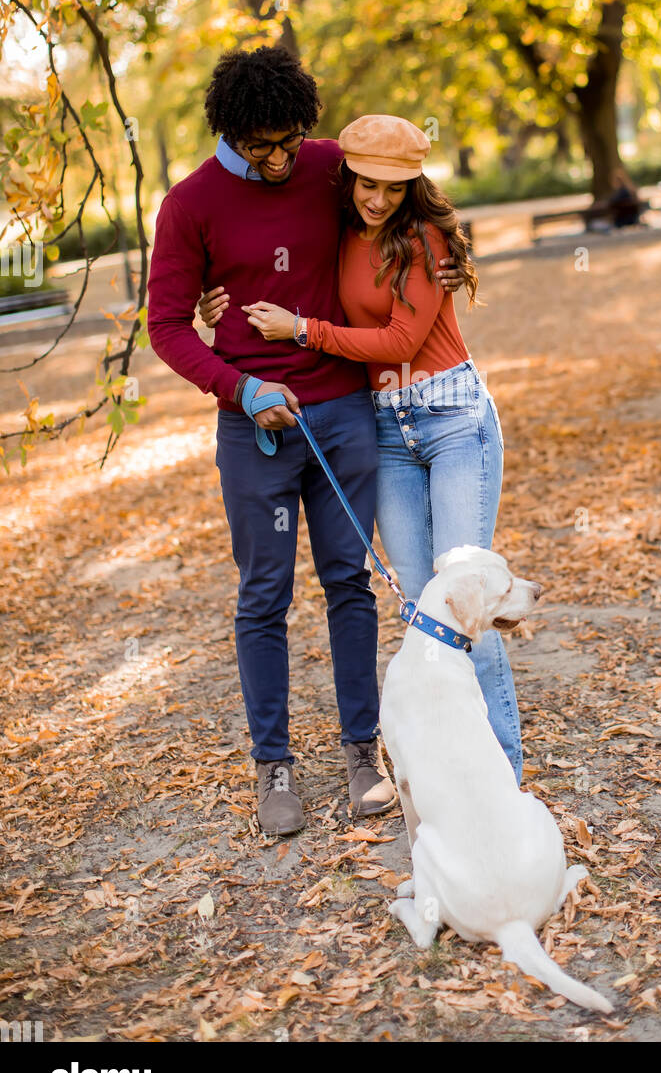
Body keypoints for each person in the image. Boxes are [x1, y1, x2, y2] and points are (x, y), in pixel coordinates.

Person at [147, 47, 463, 836]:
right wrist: (241, 387)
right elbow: (164, 326)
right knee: (264, 598)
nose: (283, 158)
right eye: (263, 146)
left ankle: (363, 754)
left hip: (344, 415)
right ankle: (274, 765)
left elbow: (410, 199)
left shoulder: (329, 168)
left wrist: (455, 257)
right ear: (229, 132)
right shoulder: (189, 205)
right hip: (252, 426)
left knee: (348, 582)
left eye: (292, 139)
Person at [199, 114, 525, 783]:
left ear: (413, 187)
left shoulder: (425, 237)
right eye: (367, 183)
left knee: (464, 596)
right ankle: (446, 772)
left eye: (394, 187)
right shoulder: (338, 229)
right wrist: (217, 306)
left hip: (452, 418)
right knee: (420, 608)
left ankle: (503, 779)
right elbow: (272, 256)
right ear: (347, 176)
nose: (378, 198)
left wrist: (304, 332)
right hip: (386, 429)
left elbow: (402, 342)